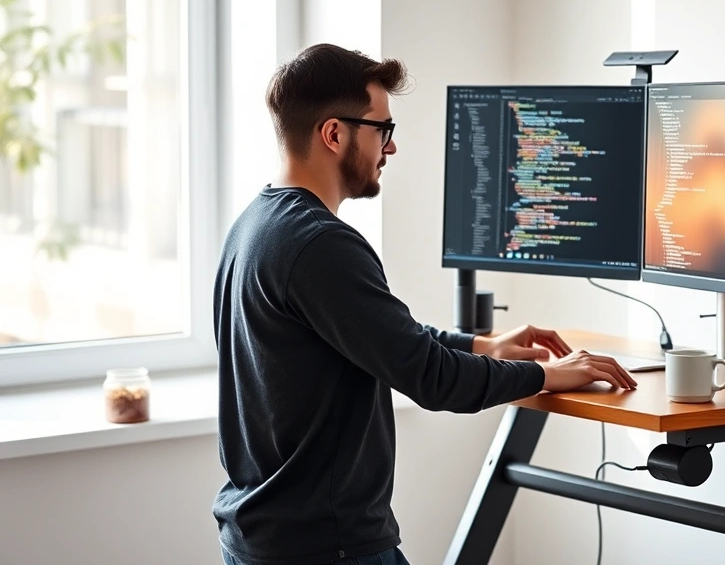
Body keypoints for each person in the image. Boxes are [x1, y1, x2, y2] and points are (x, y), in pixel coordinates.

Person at [212, 43, 637, 565]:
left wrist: (484, 343)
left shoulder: (256, 226)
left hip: (265, 537)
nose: (390, 148)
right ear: (334, 133)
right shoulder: (320, 244)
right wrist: (548, 376)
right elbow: (430, 377)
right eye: (382, 129)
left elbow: (384, 339)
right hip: (327, 547)